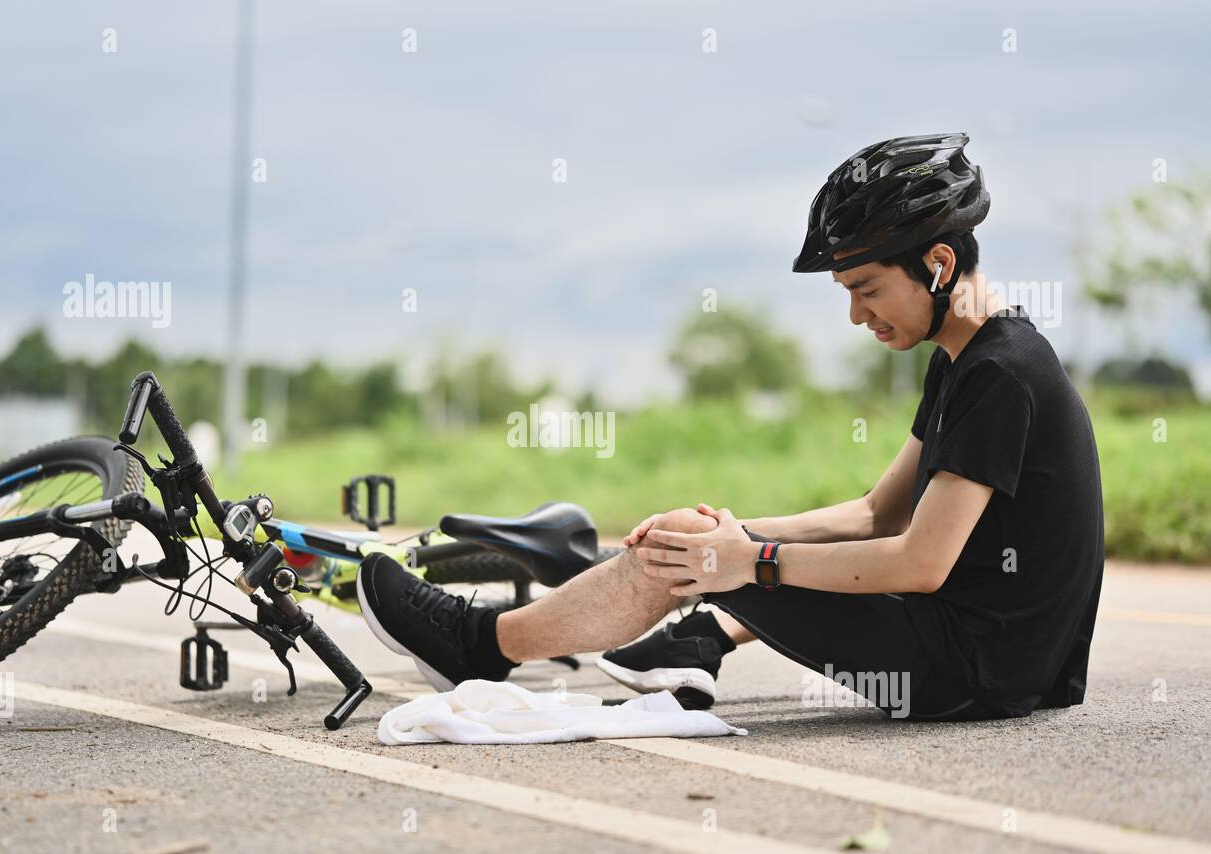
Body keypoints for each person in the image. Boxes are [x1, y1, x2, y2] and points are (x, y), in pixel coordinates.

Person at [357, 132, 1105, 721]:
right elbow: (875, 513)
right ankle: (645, 635)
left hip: (974, 673)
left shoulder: (1000, 372)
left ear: (938, 264)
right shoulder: (968, 358)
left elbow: (919, 562)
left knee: (704, 549)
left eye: (867, 289)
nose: (856, 316)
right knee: (698, 538)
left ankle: (478, 645)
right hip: (985, 656)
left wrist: (751, 563)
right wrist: (732, 536)